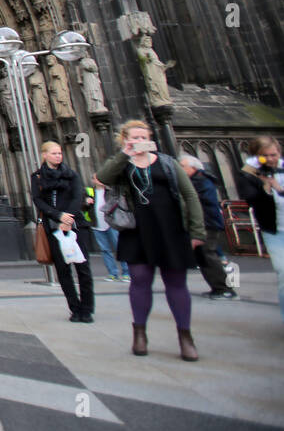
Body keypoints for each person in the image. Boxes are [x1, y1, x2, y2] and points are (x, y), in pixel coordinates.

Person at [96, 120, 204, 361]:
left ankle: (185, 337)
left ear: (150, 138)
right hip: (137, 230)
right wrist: (125, 154)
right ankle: (140, 334)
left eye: (142, 137)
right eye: (133, 137)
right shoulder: (122, 166)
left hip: (171, 228)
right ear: (124, 140)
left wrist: (197, 232)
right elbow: (102, 177)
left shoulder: (167, 163)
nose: (138, 141)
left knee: (176, 282)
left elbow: (190, 195)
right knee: (140, 281)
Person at [31, 141, 94, 322]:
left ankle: (87, 309)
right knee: (63, 270)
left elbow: (77, 196)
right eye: (54, 153)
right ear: (45, 155)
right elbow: (38, 200)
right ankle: (74, 309)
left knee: (83, 268)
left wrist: (69, 217)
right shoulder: (37, 177)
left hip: (75, 225)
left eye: (59, 153)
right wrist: (58, 216)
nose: (58, 156)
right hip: (53, 226)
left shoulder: (71, 175)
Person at [237, 136, 284, 325]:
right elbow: (250, 199)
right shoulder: (249, 174)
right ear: (257, 156)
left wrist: (279, 188)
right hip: (275, 231)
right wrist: (266, 187)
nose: (271, 159)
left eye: (274, 154)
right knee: (283, 273)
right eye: (265, 156)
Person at [179, 155, 236, 299]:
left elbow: (199, 201)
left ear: (194, 168)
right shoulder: (197, 180)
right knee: (203, 256)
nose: (180, 169)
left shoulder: (202, 181)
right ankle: (217, 287)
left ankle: (225, 289)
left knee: (208, 255)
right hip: (203, 223)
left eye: (183, 167)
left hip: (207, 223)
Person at [88, 176, 129, 282]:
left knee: (119, 247)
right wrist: (86, 202)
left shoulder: (110, 191)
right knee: (105, 249)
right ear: (93, 180)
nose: (98, 180)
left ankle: (126, 272)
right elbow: (83, 207)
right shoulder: (90, 191)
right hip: (97, 225)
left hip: (112, 223)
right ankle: (112, 273)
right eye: (96, 178)